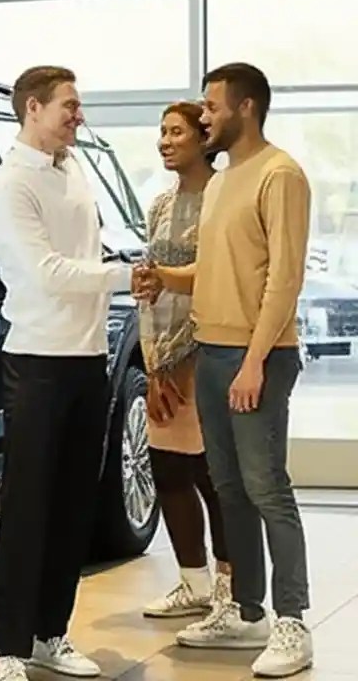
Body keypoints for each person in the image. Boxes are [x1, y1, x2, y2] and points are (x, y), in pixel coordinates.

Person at [135, 62, 313, 678]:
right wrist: (164, 279)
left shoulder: (280, 174)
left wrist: (256, 361)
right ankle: (246, 612)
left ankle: (292, 620)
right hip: (211, 351)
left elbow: (285, 278)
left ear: (245, 108)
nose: (203, 116)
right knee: (229, 486)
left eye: (211, 106)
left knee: (267, 488)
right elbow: (211, 269)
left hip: (255, 356)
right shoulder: (222, 183)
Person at [0, 65, 135, 681]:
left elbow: (86, 257)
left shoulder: (72, 169)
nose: (79, 114)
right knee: (28, 510)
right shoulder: (9, 186)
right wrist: (129, 277)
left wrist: (118, 274)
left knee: (74, 507)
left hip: (87, 360)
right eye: (69, 105)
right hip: (38, 364)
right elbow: (47, 272)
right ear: (34, 109)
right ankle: (9, 650)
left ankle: (51, 634)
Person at [136, 101, 234, 620]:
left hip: (207, 352)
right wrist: (154, 365)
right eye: (162, 132)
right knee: (167, 468)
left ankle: (229, 588)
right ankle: (191, 582)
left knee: (210, 473)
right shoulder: (159, 205)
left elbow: (219, 272)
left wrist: (184, 360)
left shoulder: (224, 196)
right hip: (164, 357)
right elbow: (152, 285)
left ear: (202, 138)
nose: (165, 141)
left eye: (176, 132)